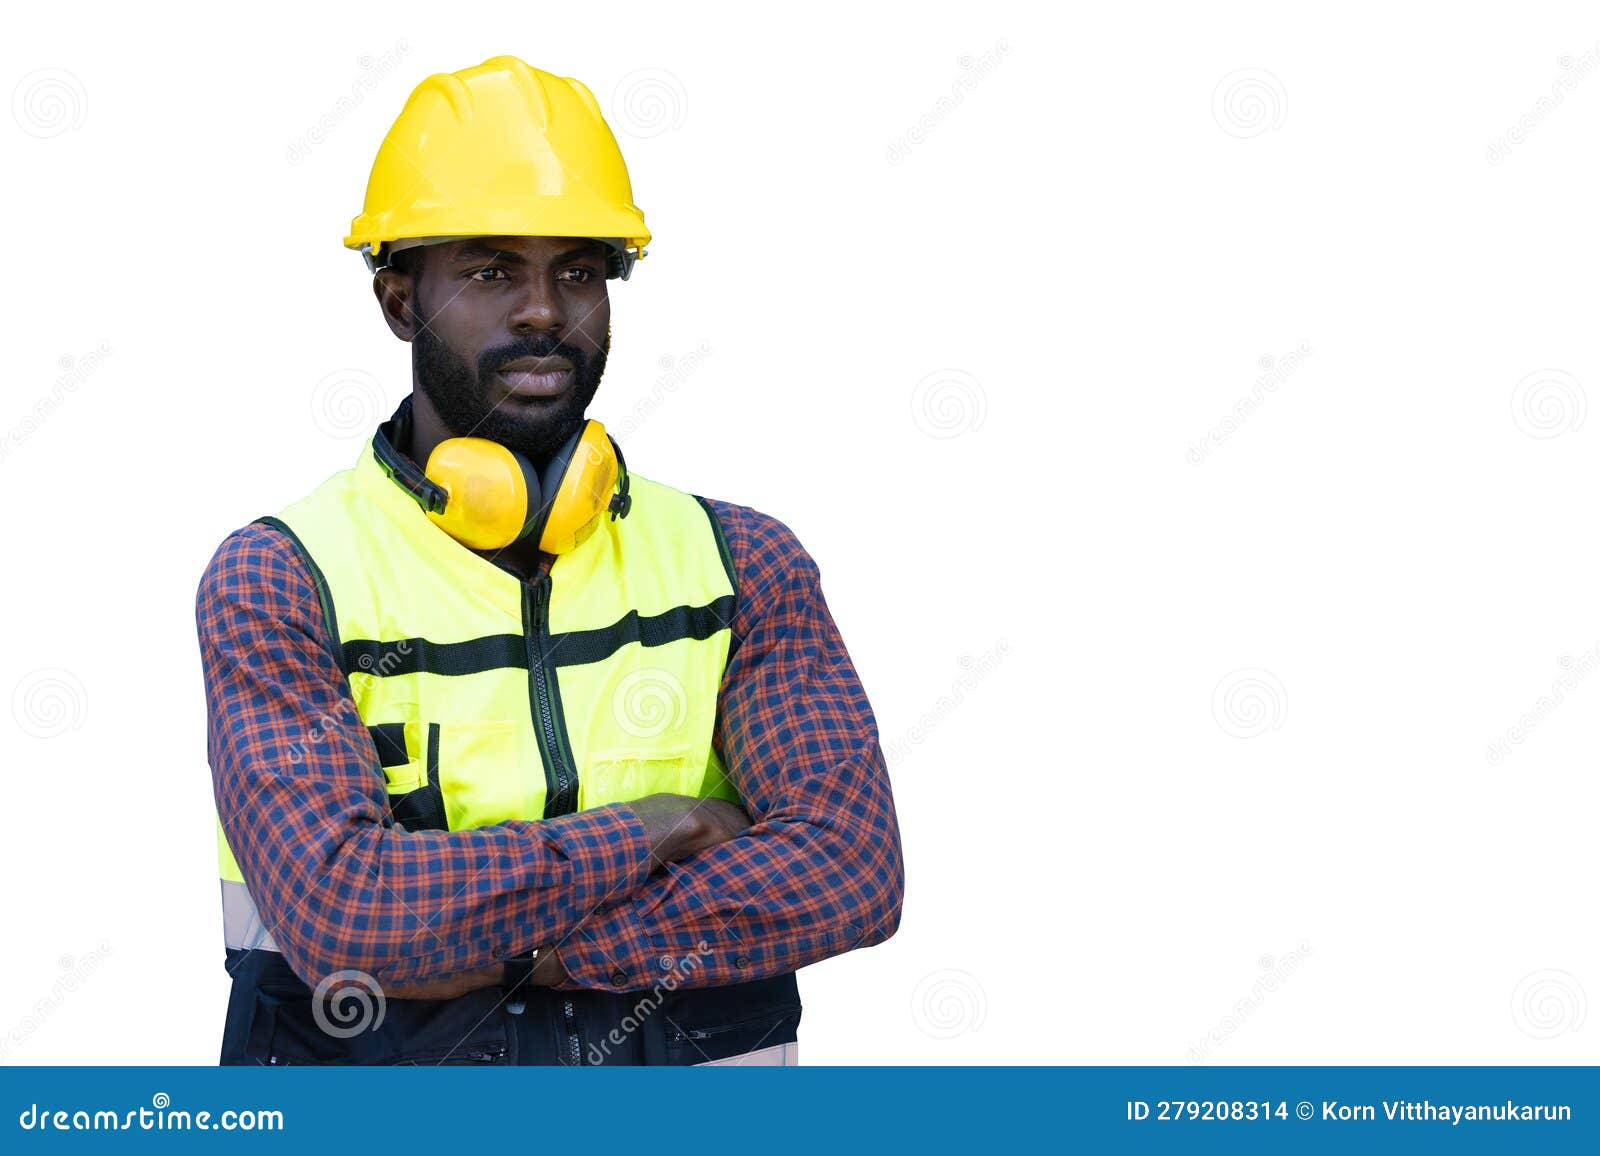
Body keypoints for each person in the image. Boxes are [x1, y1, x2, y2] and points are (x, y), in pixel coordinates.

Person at [194, 54, 904, 1065]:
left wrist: (528, 946)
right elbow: (345, 915)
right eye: (490, 270)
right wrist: (660, 827)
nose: (543, 309)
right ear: (400, 302)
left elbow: (848, 870)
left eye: (577, 270)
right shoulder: (282, 578)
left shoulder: (741, 565)